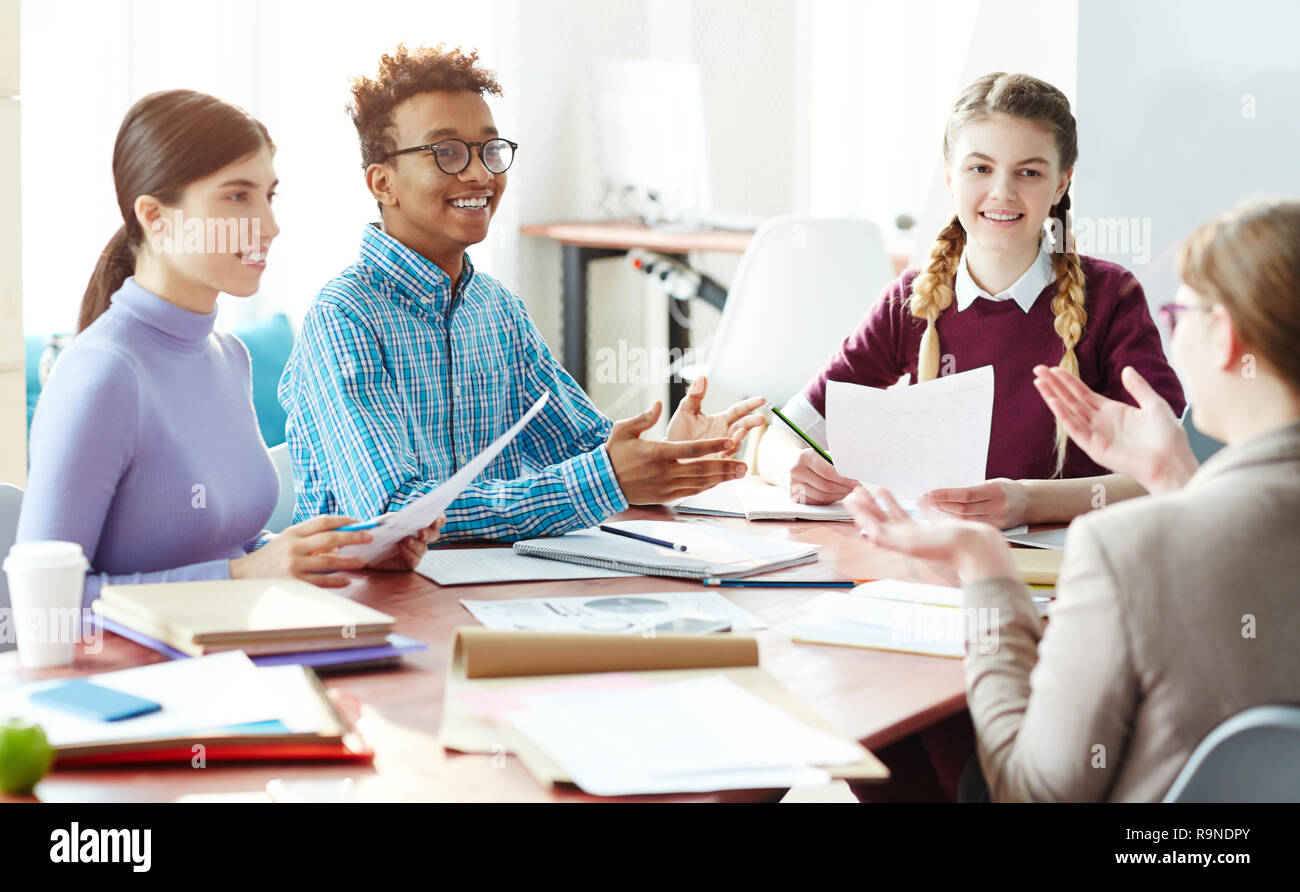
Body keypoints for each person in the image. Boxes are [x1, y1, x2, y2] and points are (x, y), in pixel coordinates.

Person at [847, 197, 1300, 801]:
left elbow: (1031, 791)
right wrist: (1174, 475)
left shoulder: (1125, 550)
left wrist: (985, 568)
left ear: (1224, 337)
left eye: (1181, 311)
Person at [278, 45, 765, 540]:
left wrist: (663, 457)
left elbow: (584, 449)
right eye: (446, 152)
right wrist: (610, 478)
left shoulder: (497, 308)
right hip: (376, 604)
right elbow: (395, 514)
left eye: (489, 150)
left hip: (492, 586)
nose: (480, 174)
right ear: (383, 183)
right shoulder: (344, 316)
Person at [17, 90, 439, 604]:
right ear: (154, 216)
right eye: (238, 197)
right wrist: (241, 578)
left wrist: (342, 552)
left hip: (232, 655)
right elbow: (45, 606)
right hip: (147, 678)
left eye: (269, 195)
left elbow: (225, 548)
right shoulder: (101, 374)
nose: (269, 225)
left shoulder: (228, 356)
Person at [757, 72, 1185, 529]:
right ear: (949, 175)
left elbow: (1168, 470)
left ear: (1061, 184)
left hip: (1066, 569)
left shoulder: (1111, 297)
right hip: (937, 563)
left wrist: (1027, 502)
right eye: (981, 168)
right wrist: (789, 468)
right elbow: (777, 436)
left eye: (1030, 172)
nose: (1002, 191)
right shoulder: (911, 301)